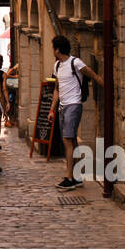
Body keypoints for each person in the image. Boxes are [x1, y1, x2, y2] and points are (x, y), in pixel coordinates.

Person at [48, 35, 104, 190]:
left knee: (67, 140)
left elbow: (92, 74)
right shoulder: (57, 66)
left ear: (58, 49)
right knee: (71, 141)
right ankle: (77, 176)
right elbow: (57, 90)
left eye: (53, 47)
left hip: (74, 105)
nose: (52, 50)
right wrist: (52, 110)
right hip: (62, 107)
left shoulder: (75, 62)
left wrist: (107, 87)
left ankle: (69, 177)